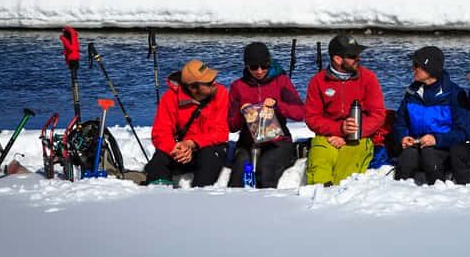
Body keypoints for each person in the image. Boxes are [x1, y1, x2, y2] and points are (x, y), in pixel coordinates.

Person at [304, 34, 386, 186]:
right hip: (327, 137)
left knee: (345, 176)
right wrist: (339, 129)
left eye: (358, 55)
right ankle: (319, 196)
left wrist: (351, 133)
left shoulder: (368, 78)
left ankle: (338, 196)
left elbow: (378, 115)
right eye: (353, 56)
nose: (358, 58)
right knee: (319, 170)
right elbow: (311, 117)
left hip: (359, 137)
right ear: (337, 59)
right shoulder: (318, 81)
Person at [227, 42, 305, 188]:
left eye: (264, 66)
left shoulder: (281, 81)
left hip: (278, 141)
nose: (259, 71)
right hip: (247, 142)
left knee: (265, 171)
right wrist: (242, 113)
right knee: (238, 178)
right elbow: (232, 126)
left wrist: (277, 105)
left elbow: (300, 113)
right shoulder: (238, 86)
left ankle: (268, 201)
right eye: (254, 67)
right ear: (246, 66)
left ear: (269, 63)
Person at [145, 59, 229, 187]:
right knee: (158, 161)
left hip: (207, 148)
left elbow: (221, 132)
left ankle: (199, 194)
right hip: (180, 150)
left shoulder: (221, 93)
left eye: (213, 78)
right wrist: (176, 149)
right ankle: (161, 193)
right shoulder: (170, 98)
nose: (214, 83)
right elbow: (160, 133)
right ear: (192, 87)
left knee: (209, 157)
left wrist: (191, 143)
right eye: (209, 82)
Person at [392, 46, 469, 185]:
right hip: (416, 146)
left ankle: (438, 190)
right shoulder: (412, 92)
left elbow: (462, 132)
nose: (413, 68)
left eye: (417, 65)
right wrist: (403, 137)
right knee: (408, 156)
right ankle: (399, 192)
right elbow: (400, 122)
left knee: (430, 155)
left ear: (430, 69)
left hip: (443, 149)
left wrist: (436, 139)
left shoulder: (455, 94)